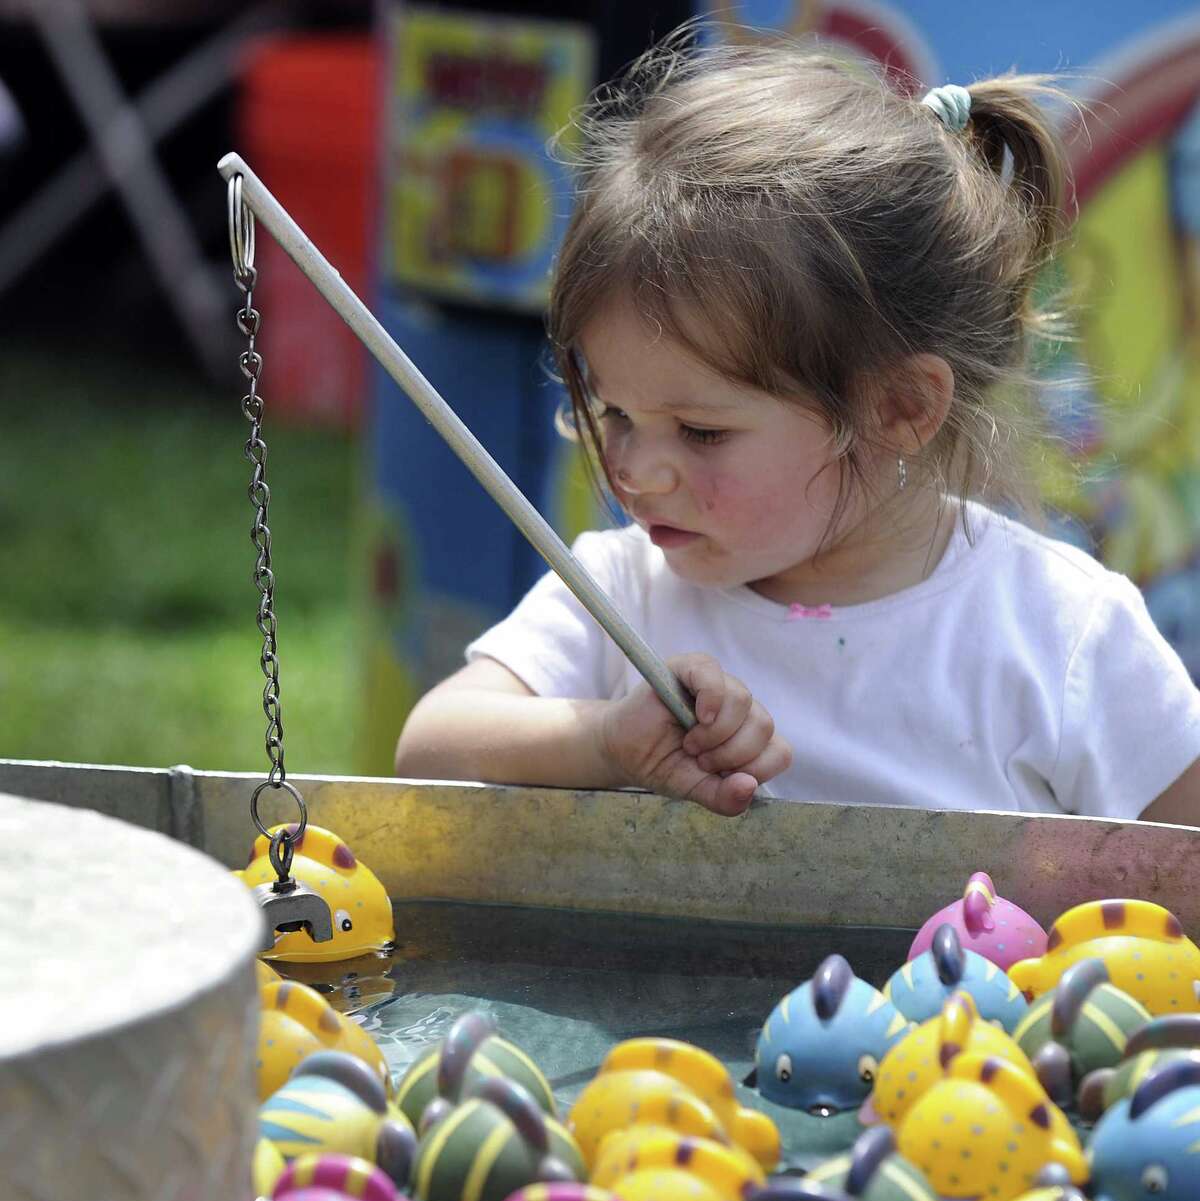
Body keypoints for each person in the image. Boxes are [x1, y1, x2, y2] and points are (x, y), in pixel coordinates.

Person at [394, 33, 1200, 824]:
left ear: (900, 409)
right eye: (615, 413)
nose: (636, 470)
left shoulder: (1059, 630)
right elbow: (430, 748)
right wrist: (607, 741)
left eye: (701, 432)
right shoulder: (622, 595)